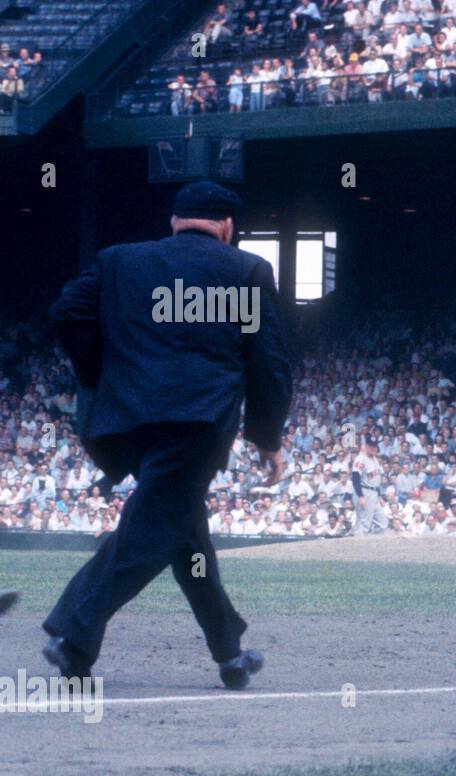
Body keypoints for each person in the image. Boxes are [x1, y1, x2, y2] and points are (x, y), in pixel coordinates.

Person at [42, 181, 294, 690]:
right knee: (149, 532)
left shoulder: (119, 261)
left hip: (124, 423)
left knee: (184, 534)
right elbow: (269, 362)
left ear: (175, 221)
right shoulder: (245, 270)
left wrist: (100, 374)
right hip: (196, 424)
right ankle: (73, 634)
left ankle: (229, 652)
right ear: (227, 227)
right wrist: (266, 437)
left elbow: (67, 312)